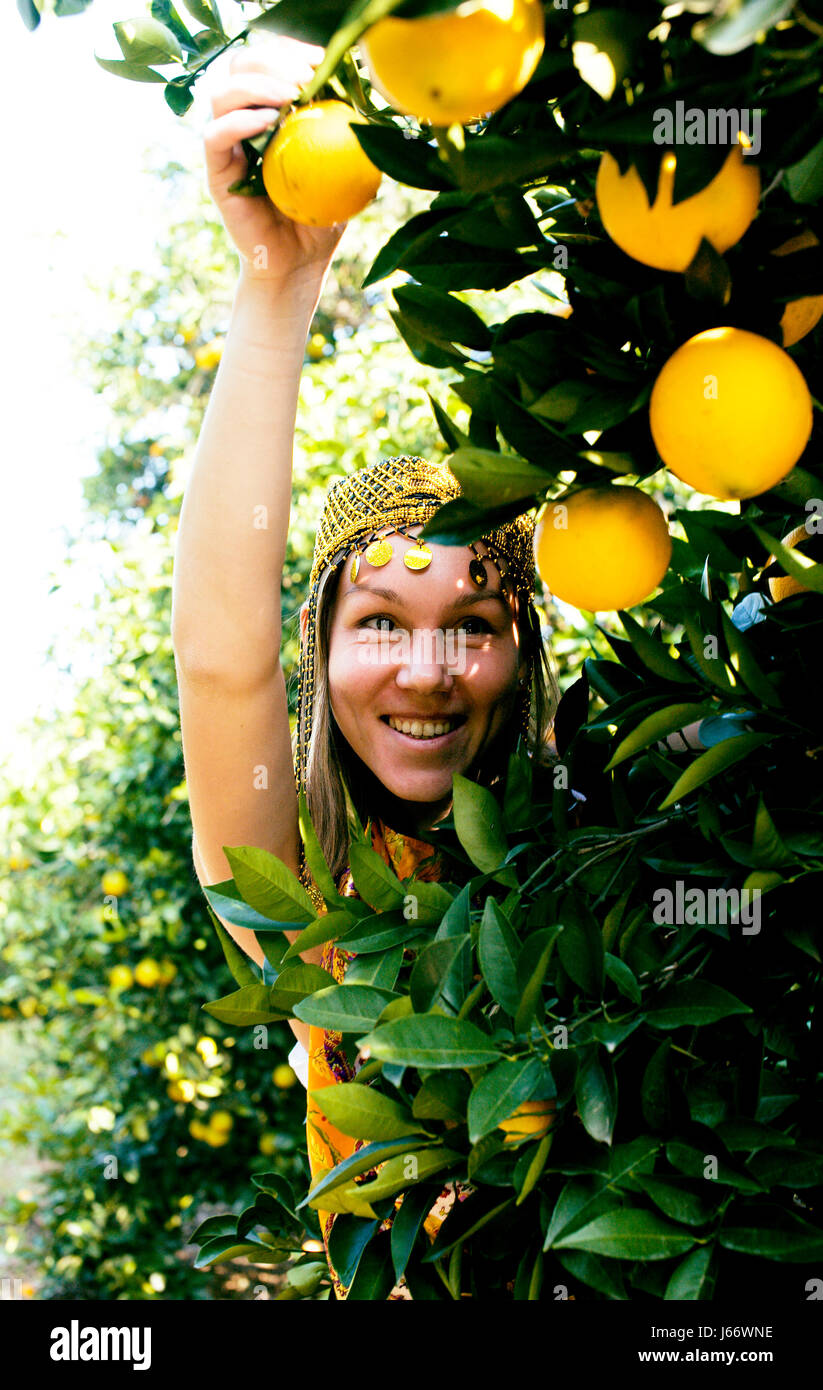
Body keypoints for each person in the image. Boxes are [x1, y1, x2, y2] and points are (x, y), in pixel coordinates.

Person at [171, 33, 560, 1299]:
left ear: (526, 656)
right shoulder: (318, 901)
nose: (428, 668)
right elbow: (221, 663)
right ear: (322, 652)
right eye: (379, 621)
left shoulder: (607, 846)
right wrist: (276, 285)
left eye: (477, 622)